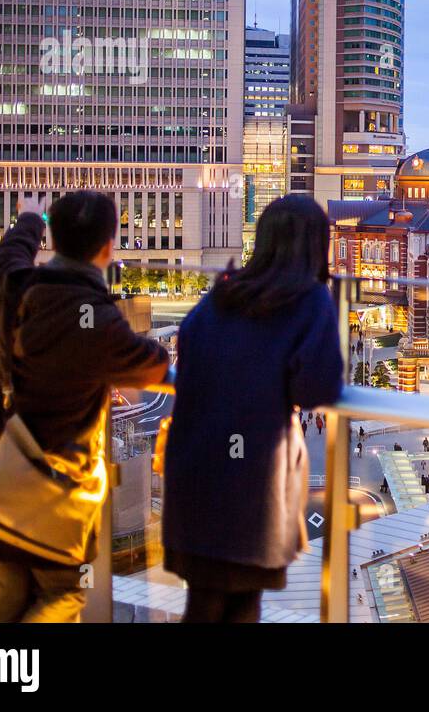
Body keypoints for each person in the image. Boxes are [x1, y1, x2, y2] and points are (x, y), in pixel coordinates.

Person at [0, 192, 170, 623]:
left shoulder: (17, 287)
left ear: (52, 240)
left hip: (3, 472)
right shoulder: (100, 321)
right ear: (108, 247)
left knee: (8, 588)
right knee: (63, 594)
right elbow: (153, 364)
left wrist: (29, 220)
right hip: (58, 487)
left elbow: (4, 259)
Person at [162, 195, 343, 623]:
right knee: (238, 607)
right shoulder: (309, 299)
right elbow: (316, 387)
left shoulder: (223, 292)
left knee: (205, 605)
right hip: (253, 486)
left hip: (193, 470)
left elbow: (188, 350)